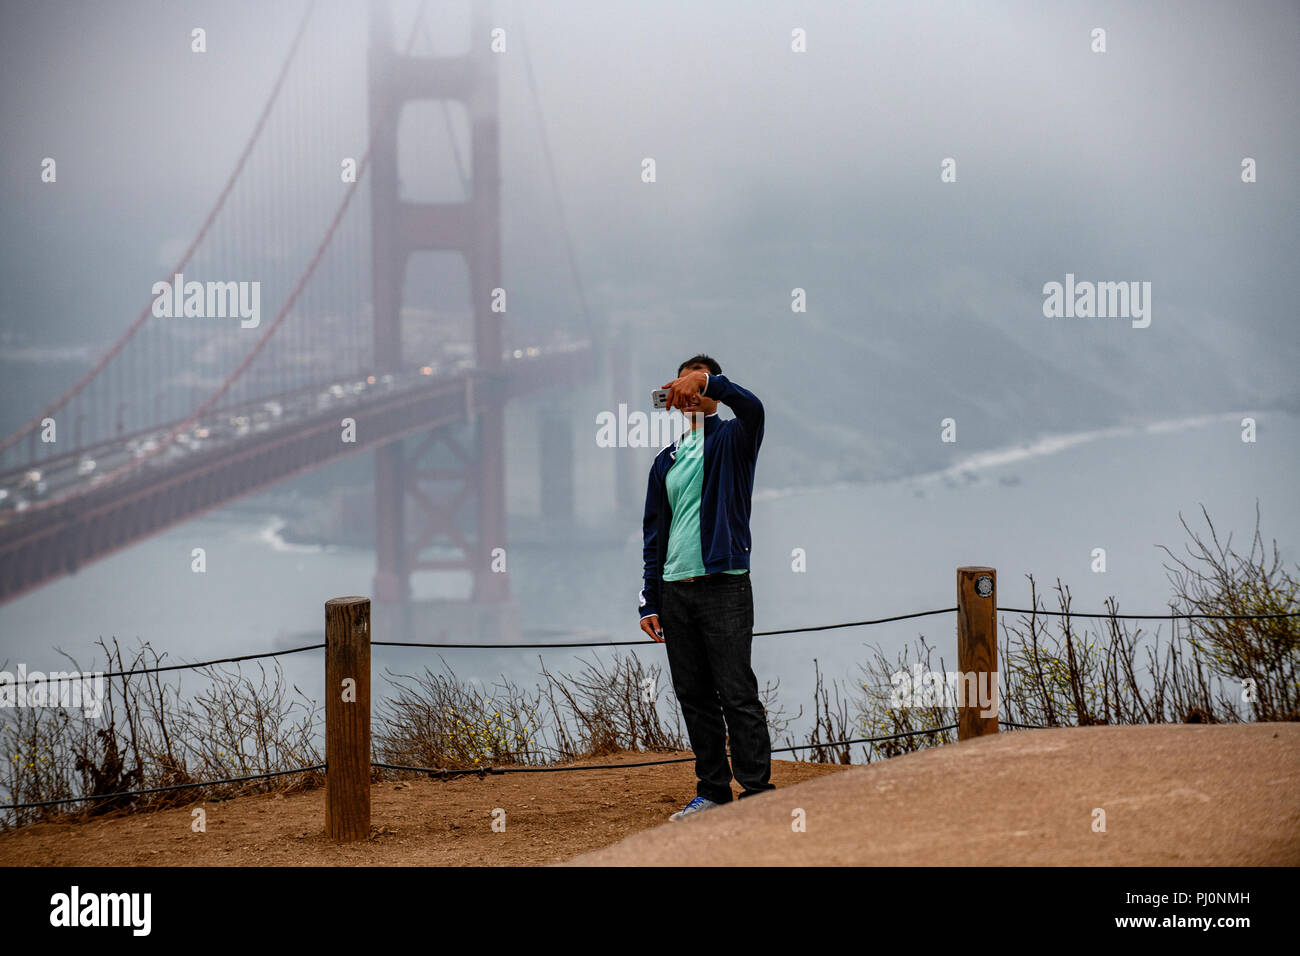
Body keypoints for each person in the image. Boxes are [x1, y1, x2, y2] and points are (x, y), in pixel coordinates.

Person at [638, 355, 775, 821]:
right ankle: (713, 793)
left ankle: (758, 793)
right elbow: (654, 535)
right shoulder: (666, 461)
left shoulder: (736, 438)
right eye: (684, 389)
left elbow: (753, 408)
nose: (690, 396)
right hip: (676, 591)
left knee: (737, 693)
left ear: (711, 392)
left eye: (698, 387)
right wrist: (649, 600)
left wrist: (710, 380)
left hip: (724, 586)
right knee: (694, 698)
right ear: (675, 400)